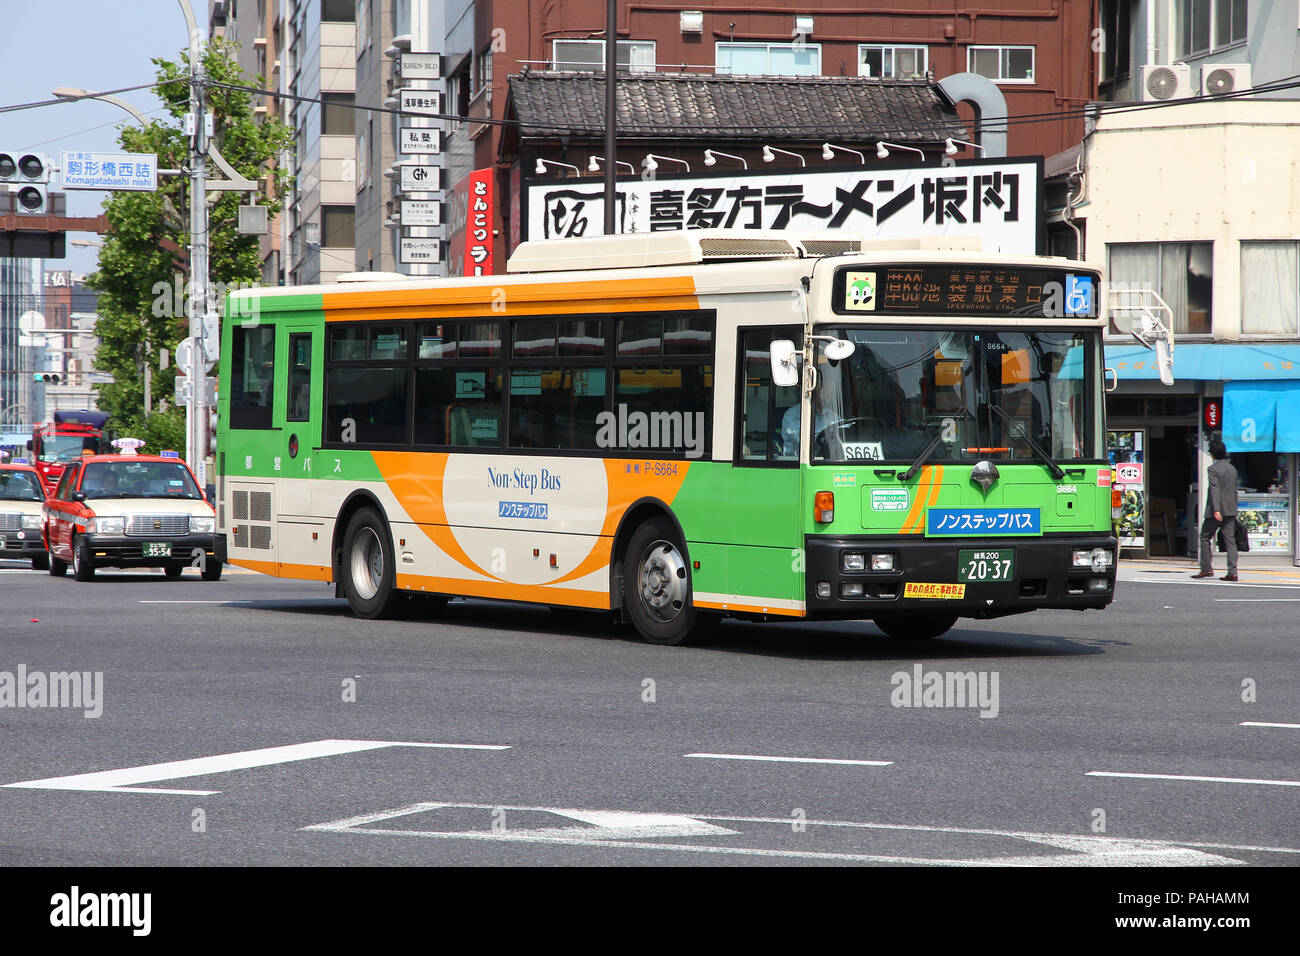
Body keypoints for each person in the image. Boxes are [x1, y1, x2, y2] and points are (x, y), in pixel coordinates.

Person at [1192, 439, 1239, 582]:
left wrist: (1216, 509)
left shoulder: (1213, 469)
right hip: (1231, 509)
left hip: (1216, 510)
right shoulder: (1232, 469)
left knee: (1205, 537)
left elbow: (1214, 489)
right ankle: (1232, 572)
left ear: (1212, 454)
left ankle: (1206, 569)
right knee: (1230, 540)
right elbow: (1234, 491)